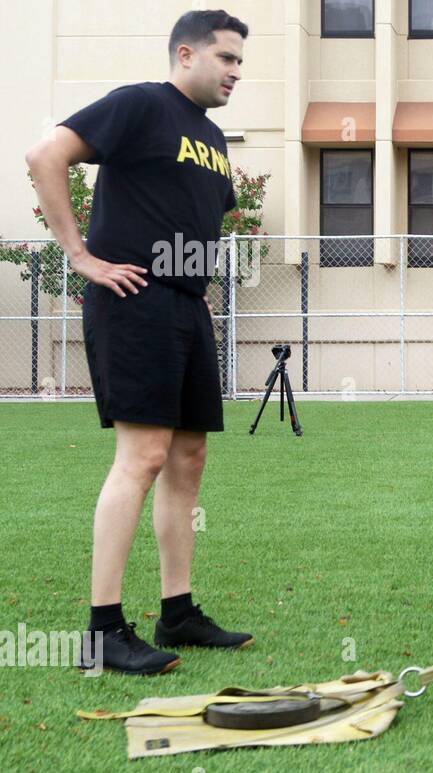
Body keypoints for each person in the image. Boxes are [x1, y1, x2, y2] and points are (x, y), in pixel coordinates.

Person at [24, 10, 254, 675]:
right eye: (227, 58)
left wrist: (198, 284)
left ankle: (176, 611)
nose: (236, 72)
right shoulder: (139, 106)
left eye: (241, 62)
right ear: (186, 54)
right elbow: (46, 155)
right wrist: (80, 255)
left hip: (184, 307)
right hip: (132, 300)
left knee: (188, 457)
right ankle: (102, 632)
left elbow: (191, 215)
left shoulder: (213, 139)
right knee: (144, 454)